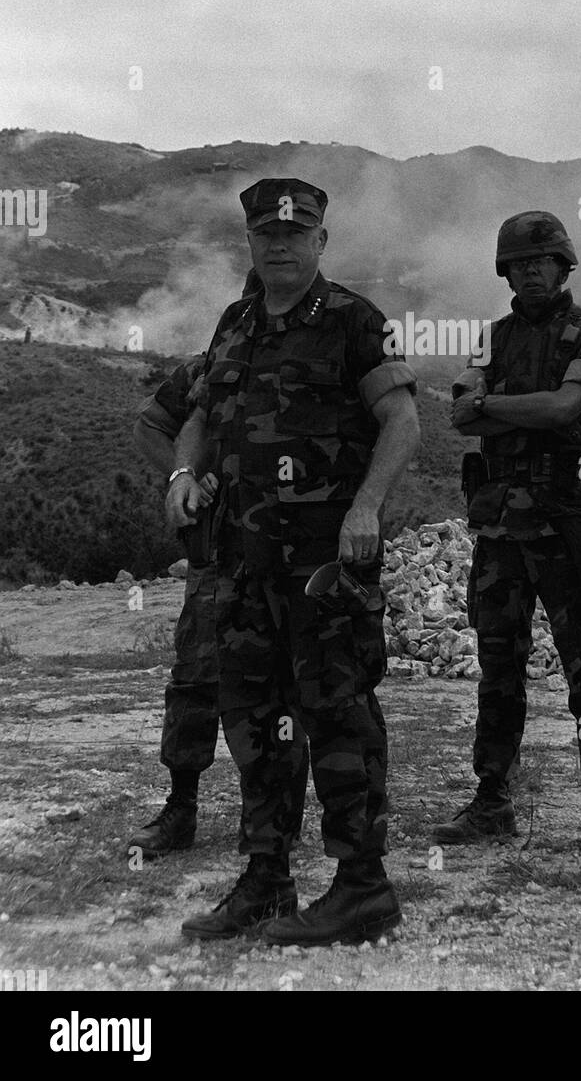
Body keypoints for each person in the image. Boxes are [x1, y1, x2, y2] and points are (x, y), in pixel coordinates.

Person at [167, 178, 420, 946]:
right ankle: (266, 878)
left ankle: (361, 886)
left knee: (338, 716)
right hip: (243, 566)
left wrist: (367, 506)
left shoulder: (351, 321)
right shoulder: (236, 323)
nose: (280, 243)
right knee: (255, 722)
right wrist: (183, 475)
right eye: (266, 234)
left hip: (323, 568)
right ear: (251, 242)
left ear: (320, 241)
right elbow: (200, 416)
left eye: (295, 232)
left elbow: (402, 419)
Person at [432, 211, 581, 854]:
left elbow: (566, 409)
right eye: (518, 263)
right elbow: (461, 416)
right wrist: (500, 410)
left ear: (564, 264)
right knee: (497, 670)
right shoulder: (492, 339)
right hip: (500, 532)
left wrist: (494, 408)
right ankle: (492, 800)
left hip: (568, 526)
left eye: (541, 260)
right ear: (505, 271)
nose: (530, 271)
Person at [128, 272, 310, 861]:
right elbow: (152, 423)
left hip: (286, 552)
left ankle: (275, 815)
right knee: (197, 679)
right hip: (215, 552)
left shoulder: (311, 370)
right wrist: (184, 477)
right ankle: (180, 809)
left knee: (280, 687)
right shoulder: (210, 366)